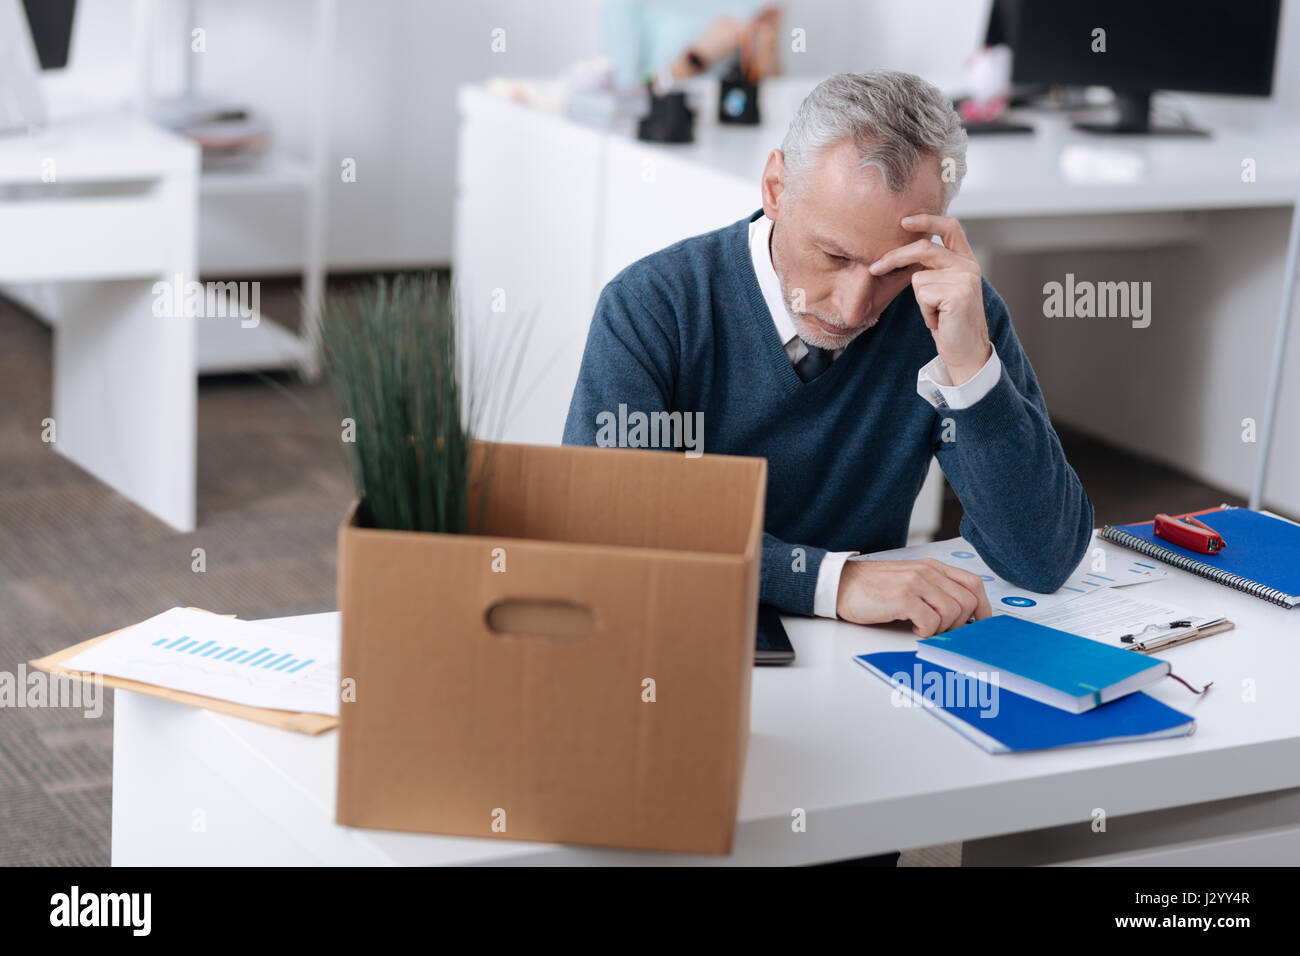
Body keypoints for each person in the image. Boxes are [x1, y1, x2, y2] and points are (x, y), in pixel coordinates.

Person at [564, 71, 1094, 639]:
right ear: (775, 189)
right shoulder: (653, 305)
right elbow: (608, 520)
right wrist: (832, 581)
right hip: (681, 639)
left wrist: (973, 373)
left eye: (892, 268)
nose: (851, 306)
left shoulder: (950, 313)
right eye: (833, 255)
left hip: (865, 656)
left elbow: (1042, 558)